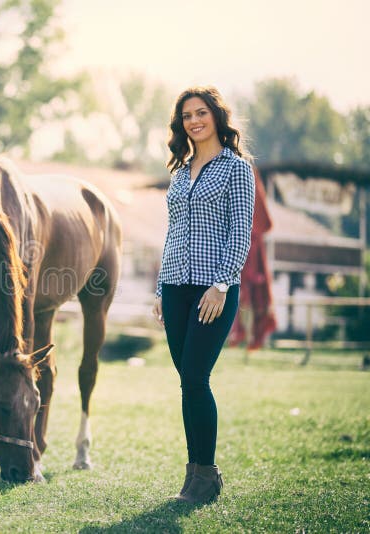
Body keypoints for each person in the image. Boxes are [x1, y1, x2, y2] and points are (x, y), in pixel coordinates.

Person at [151, 86, 255, 504]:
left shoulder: (237, 169)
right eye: (187, 116)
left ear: (216, 116)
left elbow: (241, 231)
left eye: (201, 113)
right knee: (187, 383)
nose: (194, 121)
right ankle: (194, 473)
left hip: (213, 289)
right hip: (175, 287)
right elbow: (172, 233)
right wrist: (160, 289)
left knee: (196, 377)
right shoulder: (179, 172)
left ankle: (207, 475)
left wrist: (222, 283)